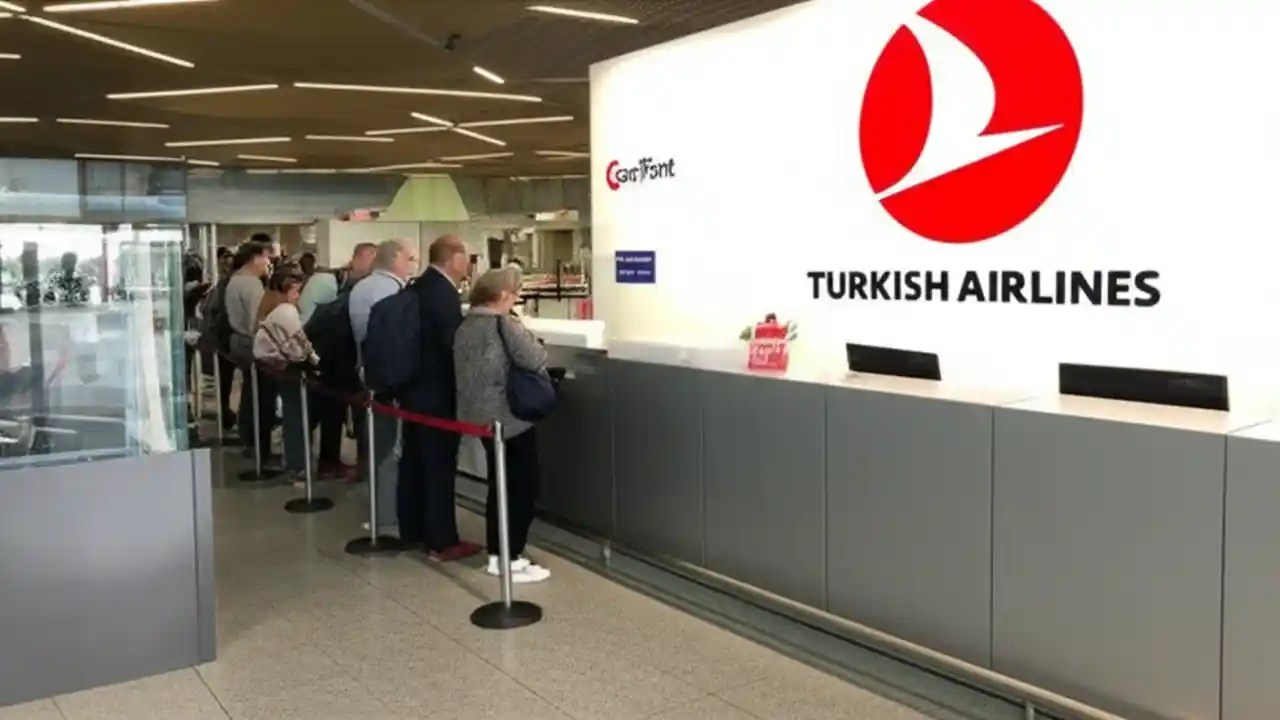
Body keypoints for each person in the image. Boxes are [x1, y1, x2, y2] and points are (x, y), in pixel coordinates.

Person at [454, 267, 550, 582]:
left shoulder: (466, 325)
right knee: (522, 488)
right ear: (502, 295)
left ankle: (499, 553)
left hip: (480, 418)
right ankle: (510, 556)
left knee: (499, 486)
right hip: (510, 419)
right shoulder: (503, 324)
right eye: (514, 293)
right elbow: (536, 358)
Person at [400, 234, 482, 561]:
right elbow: (452, 346)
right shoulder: (444, 293)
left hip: (413, 391)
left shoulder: (419, 286)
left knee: (415, 462)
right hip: (436, 395)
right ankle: (442, 539)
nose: (469, 264)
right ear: (454, 258)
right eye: (467, 257)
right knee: (438, 466)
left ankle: (413, 528)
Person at [349, 240, 417, 523]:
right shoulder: (391, 292)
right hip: (391, 382)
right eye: (409, 258)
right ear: (396, 260)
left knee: (377, 445)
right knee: (392, 449)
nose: (413, 264)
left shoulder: (361, 287)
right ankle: (389, 511)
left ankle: (380, 505)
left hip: (369, 375)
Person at [226, 241, 271, 453]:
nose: (268, 262)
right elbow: (257, 320)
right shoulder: (252, 284)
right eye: (266, 257)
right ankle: (258, 443)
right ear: (255, 259)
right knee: (260, 395)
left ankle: (247, 436)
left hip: (238, 340)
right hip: (251, 342)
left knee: (249, 391)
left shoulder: (234, 280)